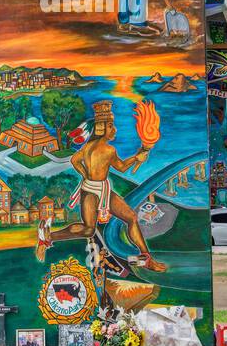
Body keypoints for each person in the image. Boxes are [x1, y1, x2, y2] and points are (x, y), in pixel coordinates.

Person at [51, 99, 165, 274]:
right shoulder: (109, 150)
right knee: (89, 229)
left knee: (130, 217)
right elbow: (121, 167)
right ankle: (50, 236)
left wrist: (84, 174)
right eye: (111, 126)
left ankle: (146, 258)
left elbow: (74, 160)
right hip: (91, 190)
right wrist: (136, 157)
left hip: (96, 188)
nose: (114, 130)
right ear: (101, 128)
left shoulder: (87, 146)